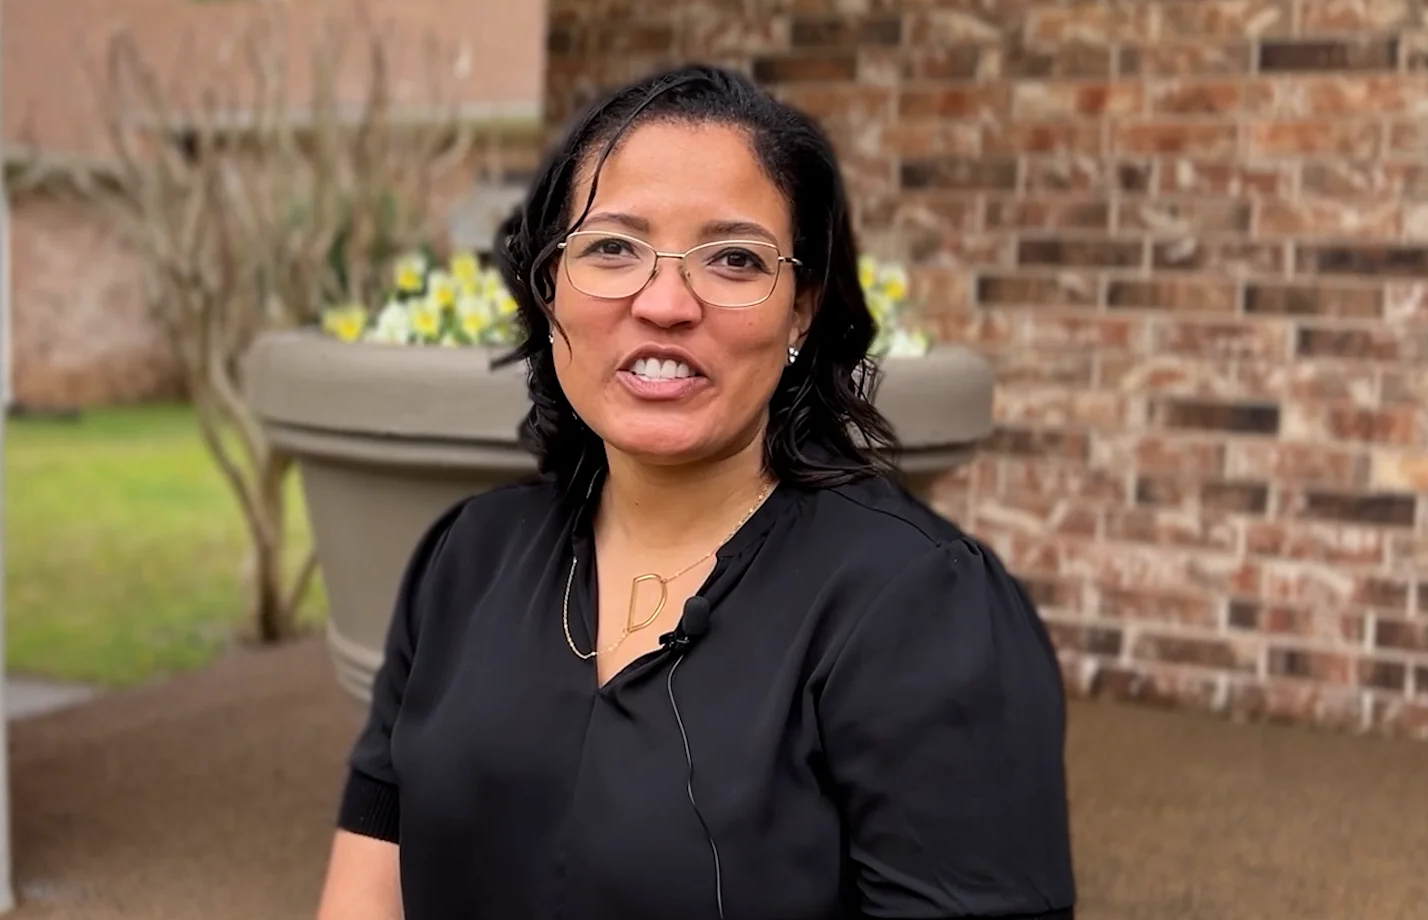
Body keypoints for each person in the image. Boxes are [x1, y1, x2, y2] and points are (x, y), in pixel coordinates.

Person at [313, 64, 1075, 920]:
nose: (665, 302)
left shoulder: (920, 611)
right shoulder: (467, 562)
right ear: (548, 285)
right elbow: (369, 884)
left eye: (734, 259)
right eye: (612, 247)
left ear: (801, 309)